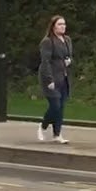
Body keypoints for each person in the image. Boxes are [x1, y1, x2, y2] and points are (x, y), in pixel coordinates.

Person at [37, 15, 73, 144]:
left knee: (61, 106)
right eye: (59, 24)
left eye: (64, 24)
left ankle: (57, 134)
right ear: (53, 26)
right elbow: (45, 62)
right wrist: (49, 79)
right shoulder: (48, 41)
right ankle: (43, 126)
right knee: (55, 105)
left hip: (64, 77)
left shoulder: (67, 40)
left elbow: (68, 56)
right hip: (51, 77)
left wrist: (69, 61)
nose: (63, 26)